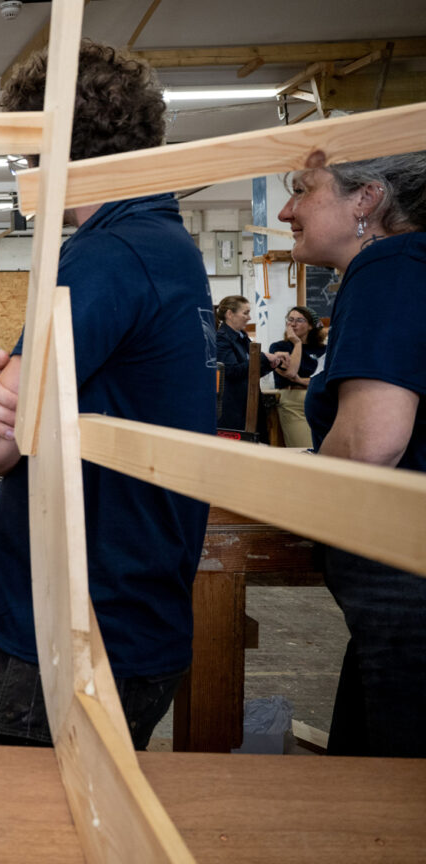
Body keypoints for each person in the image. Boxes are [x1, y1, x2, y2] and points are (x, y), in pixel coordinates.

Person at [0, 40, 215, 750]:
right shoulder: (163, 242)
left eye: (24, 150)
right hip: (115, 610)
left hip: (85, 625)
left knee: (48, 832)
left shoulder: (107, 254)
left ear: (50, 151)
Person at [279, 149, 426, 757]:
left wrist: (290, 494)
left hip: (406, 578)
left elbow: (372, 442)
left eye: (304, 190)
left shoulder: (390, 265)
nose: (287, 209)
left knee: (394, 794)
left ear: (367, 199)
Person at [214, 294, 281, 432]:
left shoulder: (243, 337)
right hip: (235, 409)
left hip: (250, 404)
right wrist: (263, 357)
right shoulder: (222, 340)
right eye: (245, 313)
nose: (249, 318)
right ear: (230, 314)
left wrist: (270, 364)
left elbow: (250, 371)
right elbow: (232, 371)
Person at [268, 305, 325, 447]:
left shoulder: (323, 349)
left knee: (326, 452)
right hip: (293, 402)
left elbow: (325, 379)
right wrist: (297, 343)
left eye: (299, 320)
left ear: (311, 326)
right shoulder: (278, 348)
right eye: (290, 319)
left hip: (320, 401)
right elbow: (291, 372)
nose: (293, 324)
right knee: (304, 450)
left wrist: (300, 380)